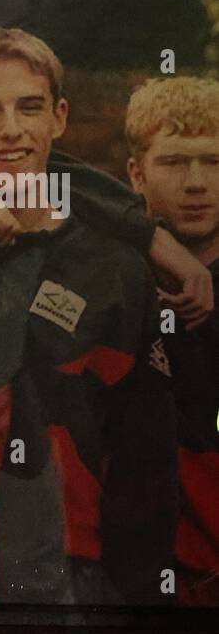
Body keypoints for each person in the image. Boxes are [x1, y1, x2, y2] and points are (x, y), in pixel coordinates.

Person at [0, 27, 177, 604]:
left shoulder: (114, 267)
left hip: (80, 571)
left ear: (59, 118)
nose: (11, 130)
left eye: (30, 107)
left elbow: (145, 452)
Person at [124, 75, 219, 605]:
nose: (198, 182)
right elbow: (51, 175)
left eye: (214, 162)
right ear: (136, 174)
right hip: (138, 561)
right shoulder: (115, 273)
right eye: (176, 163)